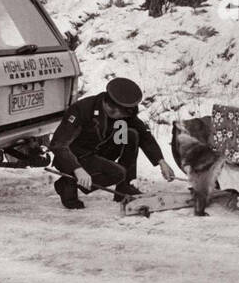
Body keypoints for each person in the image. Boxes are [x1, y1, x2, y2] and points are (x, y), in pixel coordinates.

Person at [49, 77, 177, 210]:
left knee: (130, 134)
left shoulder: (123, 111)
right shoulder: (82, 110)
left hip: (97, 149)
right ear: (110, 108)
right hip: (75, 156)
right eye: (120, 115)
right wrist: (77, 169)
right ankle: (67, 183)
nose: (123, 118)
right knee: (117, 173)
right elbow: (58, 145)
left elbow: (144, 134)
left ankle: (124, 188)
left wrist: (161, 161)